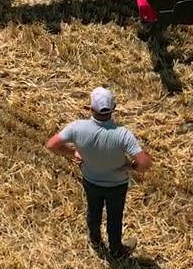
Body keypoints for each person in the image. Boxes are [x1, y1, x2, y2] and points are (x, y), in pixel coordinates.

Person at [45, 87, 151, 259]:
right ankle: (116, 248)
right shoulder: (123, 135)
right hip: (116, 185)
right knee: (114, 217)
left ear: (90, 108)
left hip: (91, 181)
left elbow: (51, 145)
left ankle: (95, 240)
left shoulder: (77, 128)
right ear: (114, 108)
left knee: (93, 211)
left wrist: (74, 153)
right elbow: (144, 164)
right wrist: (131, 167)